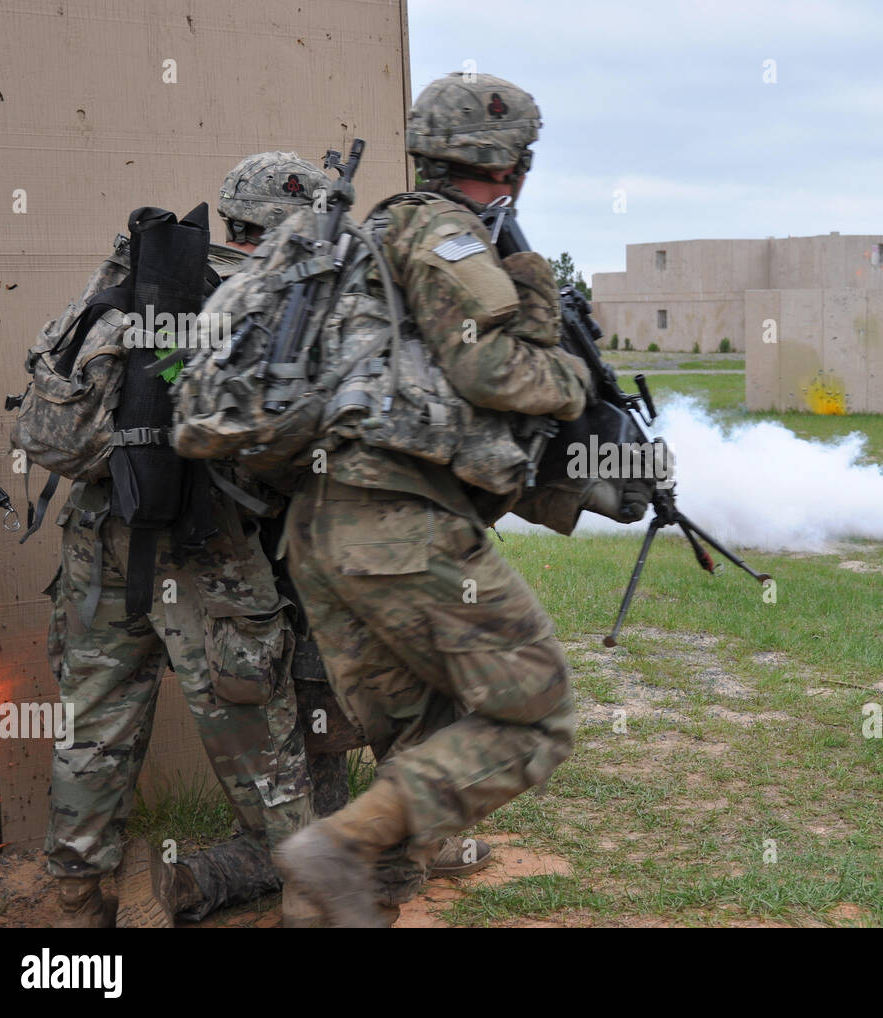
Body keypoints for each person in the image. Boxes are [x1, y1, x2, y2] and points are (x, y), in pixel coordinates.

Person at [276, 72, 650, 926]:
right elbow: (488, 367)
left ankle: (345, 890)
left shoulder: (363, 241)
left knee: (423, 747)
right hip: (398, 523)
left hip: (322, 527)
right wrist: (566, 374)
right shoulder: (442, 235)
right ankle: (331, 848)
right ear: (513, 165)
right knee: (536, 719)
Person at [41, 153, 330, 928]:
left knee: (91, 733)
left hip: (102, 539)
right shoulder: (278, 300)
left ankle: (77, 912)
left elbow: (51, 407)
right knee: (260, 737)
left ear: (231, 212)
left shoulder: (138, 273)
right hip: (210, 551)